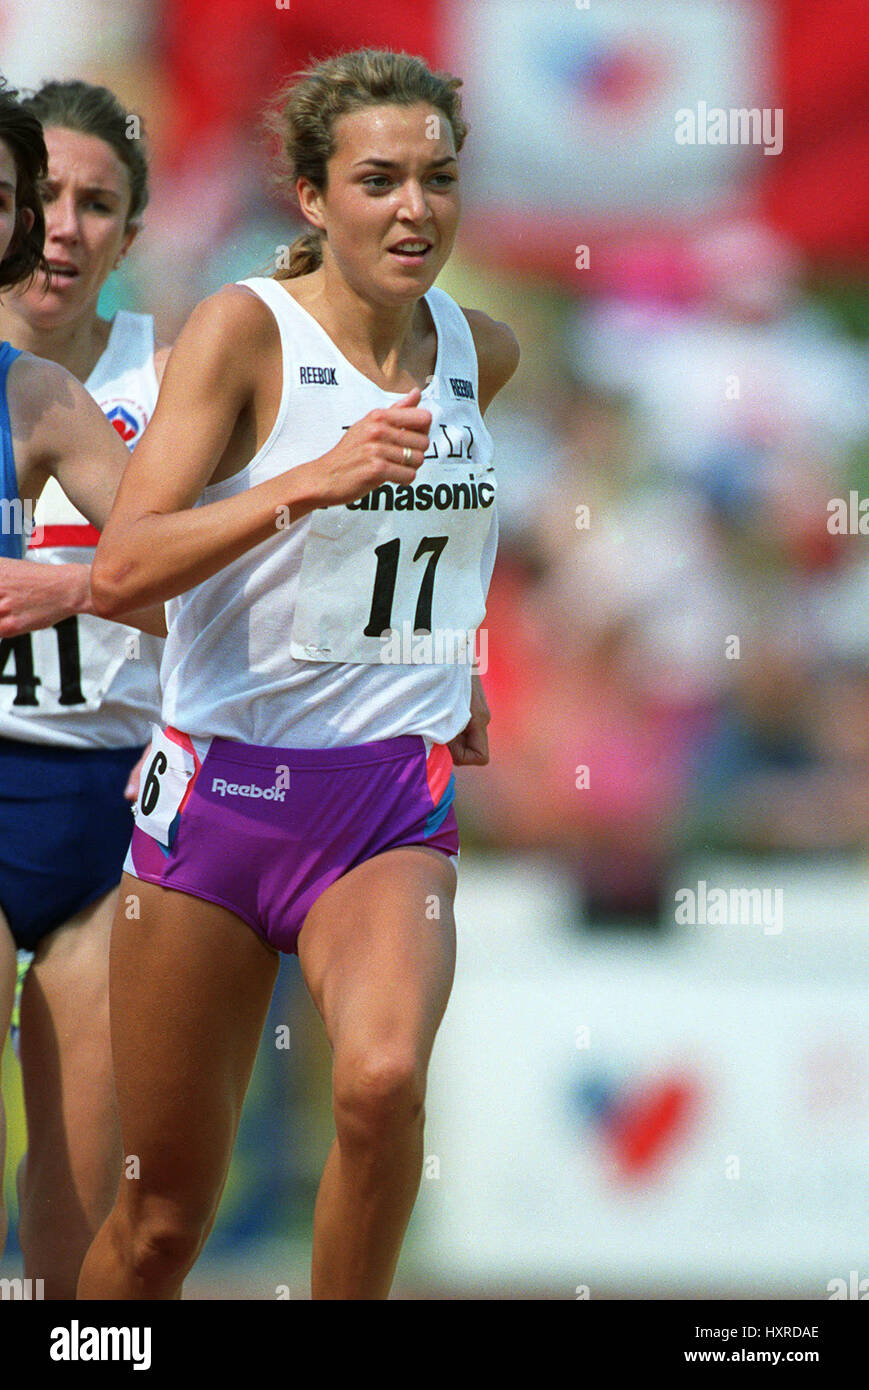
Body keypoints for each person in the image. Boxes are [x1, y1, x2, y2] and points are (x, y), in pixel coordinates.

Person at [79, 48, 519, 1301]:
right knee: (163, 1219)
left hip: (386, 803)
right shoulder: (240, 330)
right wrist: (302, 483)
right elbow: (123, 575)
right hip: (220, 804)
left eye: (437, 178)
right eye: (377, 179)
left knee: (380, 1082)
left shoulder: (476, 350)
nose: (414, 208)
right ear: (313, 198)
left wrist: (448, 650)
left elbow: (432, 539)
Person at [0, 77, 166, 1297]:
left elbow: (215, 599)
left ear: (131, 230)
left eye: (95, 204)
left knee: (80, 1204)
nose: (63, 226)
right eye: (41, 196)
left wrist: (78, 587)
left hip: (115, 804)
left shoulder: (182, 376)